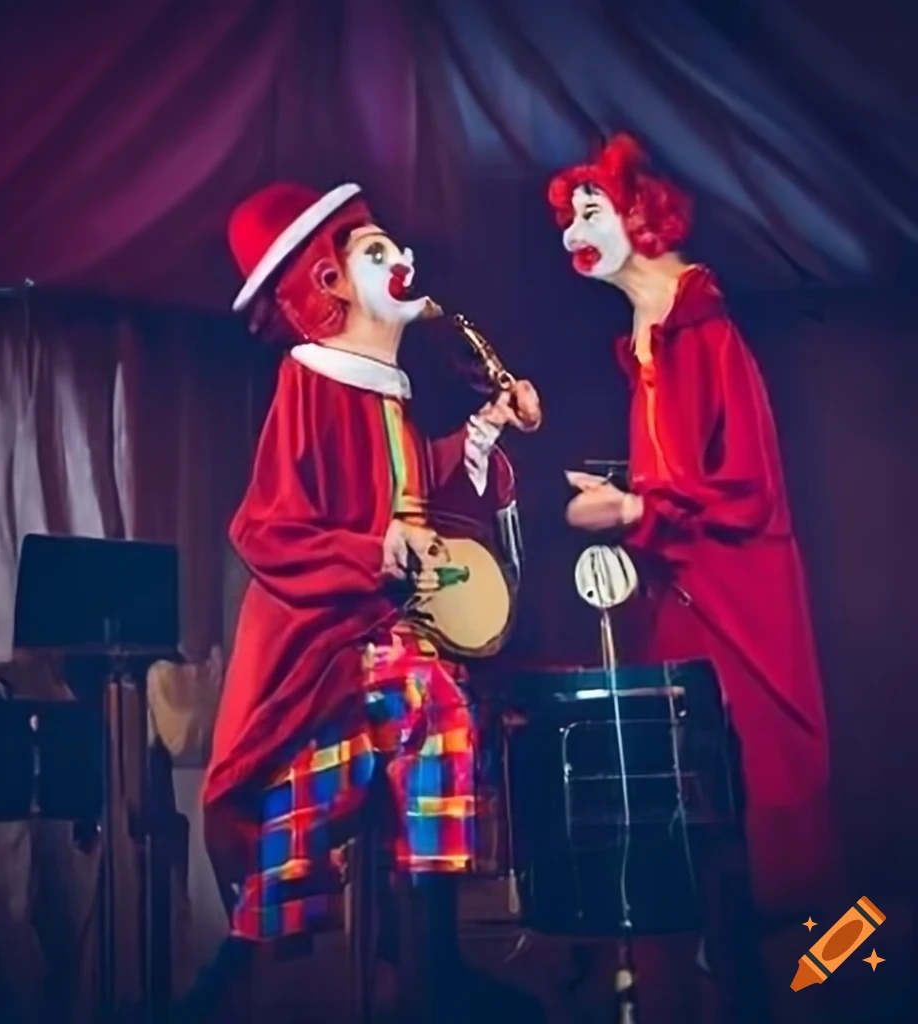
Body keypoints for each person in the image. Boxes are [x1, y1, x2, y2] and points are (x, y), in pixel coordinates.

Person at [182, 181, 540, 1023]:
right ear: (331, 283)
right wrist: (370, 550)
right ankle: (246, 977)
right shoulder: (309, 385)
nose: (402, 258)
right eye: (374, 250)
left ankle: (430, 961)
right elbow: (265, 528)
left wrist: (486, 428)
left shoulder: (389, 394)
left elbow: (420, 494)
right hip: (329, 647)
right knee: (305, 812)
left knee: (441, 722)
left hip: (395, 640)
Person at [547, 134, 838, 1001]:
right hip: (677, 589)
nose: (571, 235)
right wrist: (623, 494)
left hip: (735, 590)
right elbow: (677, 471)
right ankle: (714, 970)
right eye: (566, 221)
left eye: (588, 212)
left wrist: (634, 509)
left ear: (643, 214)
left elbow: (744, 484)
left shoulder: (700, 324)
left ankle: (808, 979)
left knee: (759, 790)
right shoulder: (647, 335)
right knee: (697, 789)